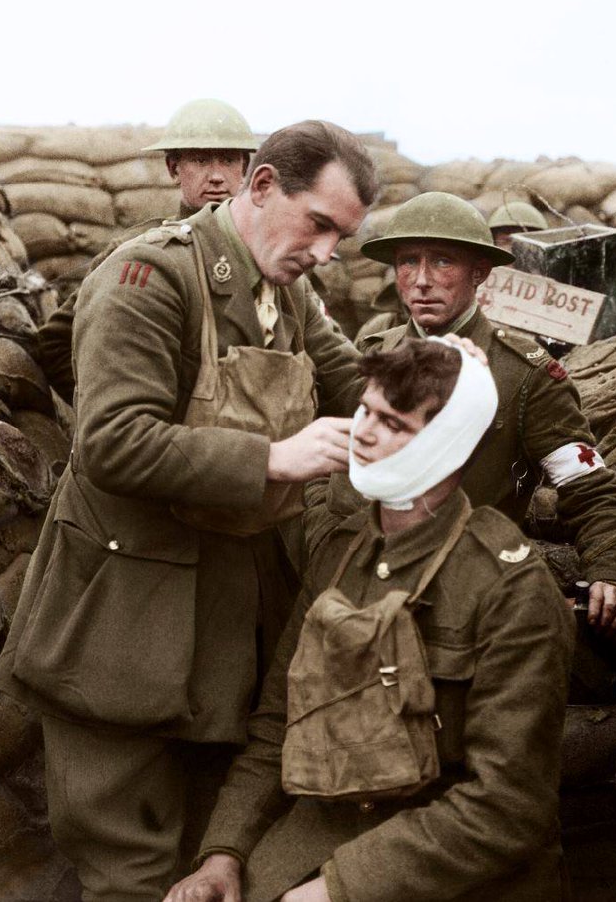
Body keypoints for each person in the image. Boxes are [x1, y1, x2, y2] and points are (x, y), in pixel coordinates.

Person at [0, 120, 380, 901]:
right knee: (128, 872)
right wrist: (271, 458)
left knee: (213, 865)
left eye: (342, 237)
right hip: (121, 634)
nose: (326, 251)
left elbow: (356, 385)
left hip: (227, 639)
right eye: (319, 224)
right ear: (262, 187)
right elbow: (111, 441)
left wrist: (440, 372)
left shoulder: (289, 291)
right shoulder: (150, 276)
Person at [166, 339, 574, 902]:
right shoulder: (342, 555)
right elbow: (278, 725)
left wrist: (336, 890)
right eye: (365, 410)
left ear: (448, 443)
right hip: (317, 837)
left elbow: (506, 807)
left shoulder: (509, 587)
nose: (363, 432)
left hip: (446, 873)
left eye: (393, 424)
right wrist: (223, 855)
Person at [312, 191, 616, 639]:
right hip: (355, 582)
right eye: (408, 262)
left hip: (462, 598)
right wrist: (323, 541)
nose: (421, 280)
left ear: (479, 273)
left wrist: (611, 572)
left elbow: (590, 487)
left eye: (442, 261)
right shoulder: (372, 355)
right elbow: (325, 464)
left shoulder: (523, 374)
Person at [37, 98, 258, 403]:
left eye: (228, 160)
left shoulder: (268, 254)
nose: (217, 175)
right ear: (173, 168)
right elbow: (55, 345)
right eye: (201, 160)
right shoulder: (138, 249)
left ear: (244, 168)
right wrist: (110, 406)